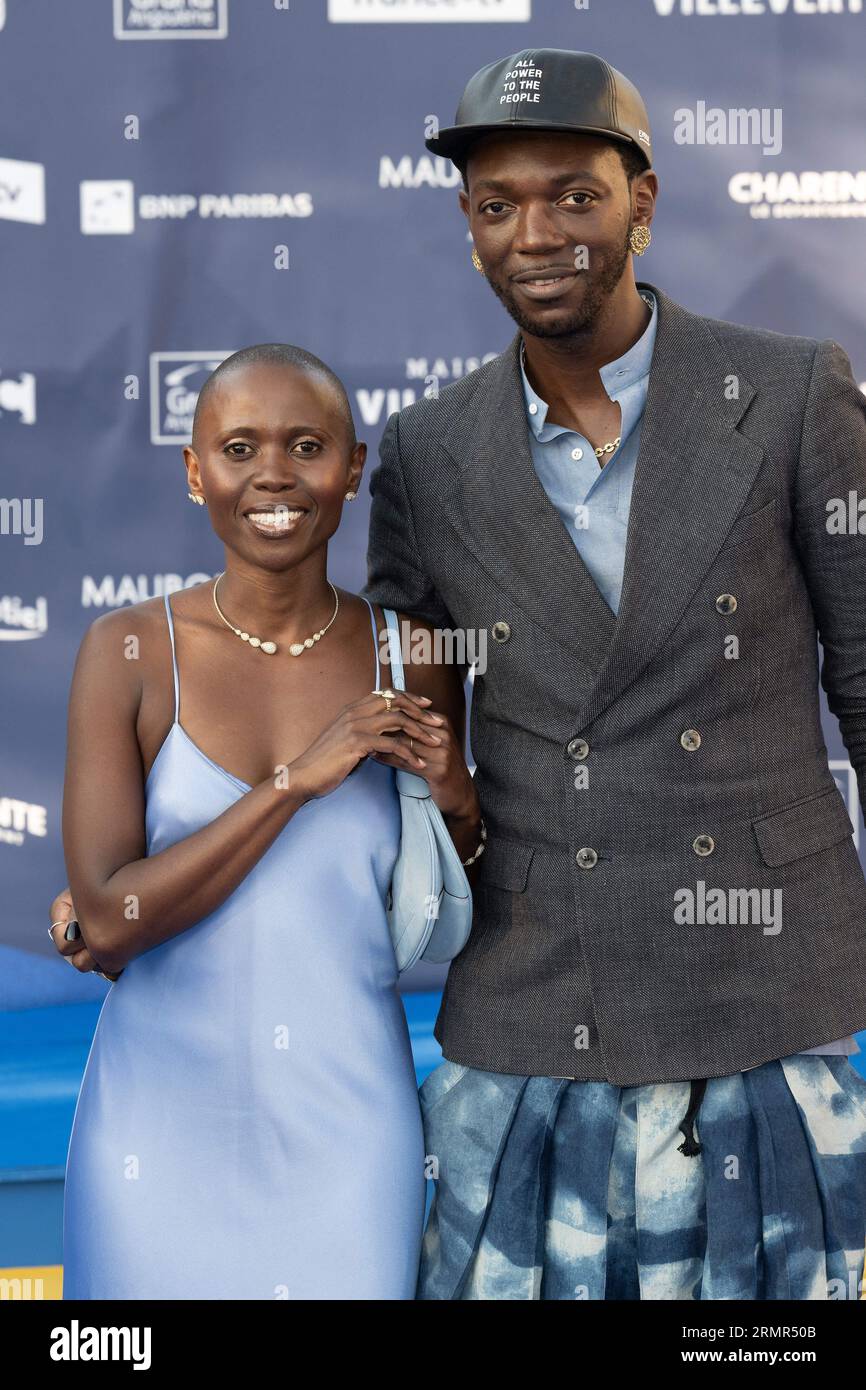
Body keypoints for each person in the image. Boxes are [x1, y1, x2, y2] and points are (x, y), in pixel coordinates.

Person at [357, 50, 866, 1299]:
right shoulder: (425, 455)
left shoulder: (793, 392)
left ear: (641, 201)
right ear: (469, 228)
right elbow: (419, 747)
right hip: (538, 996)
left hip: (760, 988)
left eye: (571, 195)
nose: (535, 234)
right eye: (495, 204)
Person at [50, 343, 483, 1300]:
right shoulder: (127, 650)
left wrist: (459, 800)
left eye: (306, 445)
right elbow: (112, 921)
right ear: (194, 470)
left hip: (350, 1134)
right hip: (154, 1133)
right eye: (239, 448)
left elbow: (454, 907)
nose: (274, 475)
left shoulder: (411, 655)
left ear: (354, 468)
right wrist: (297, 781)